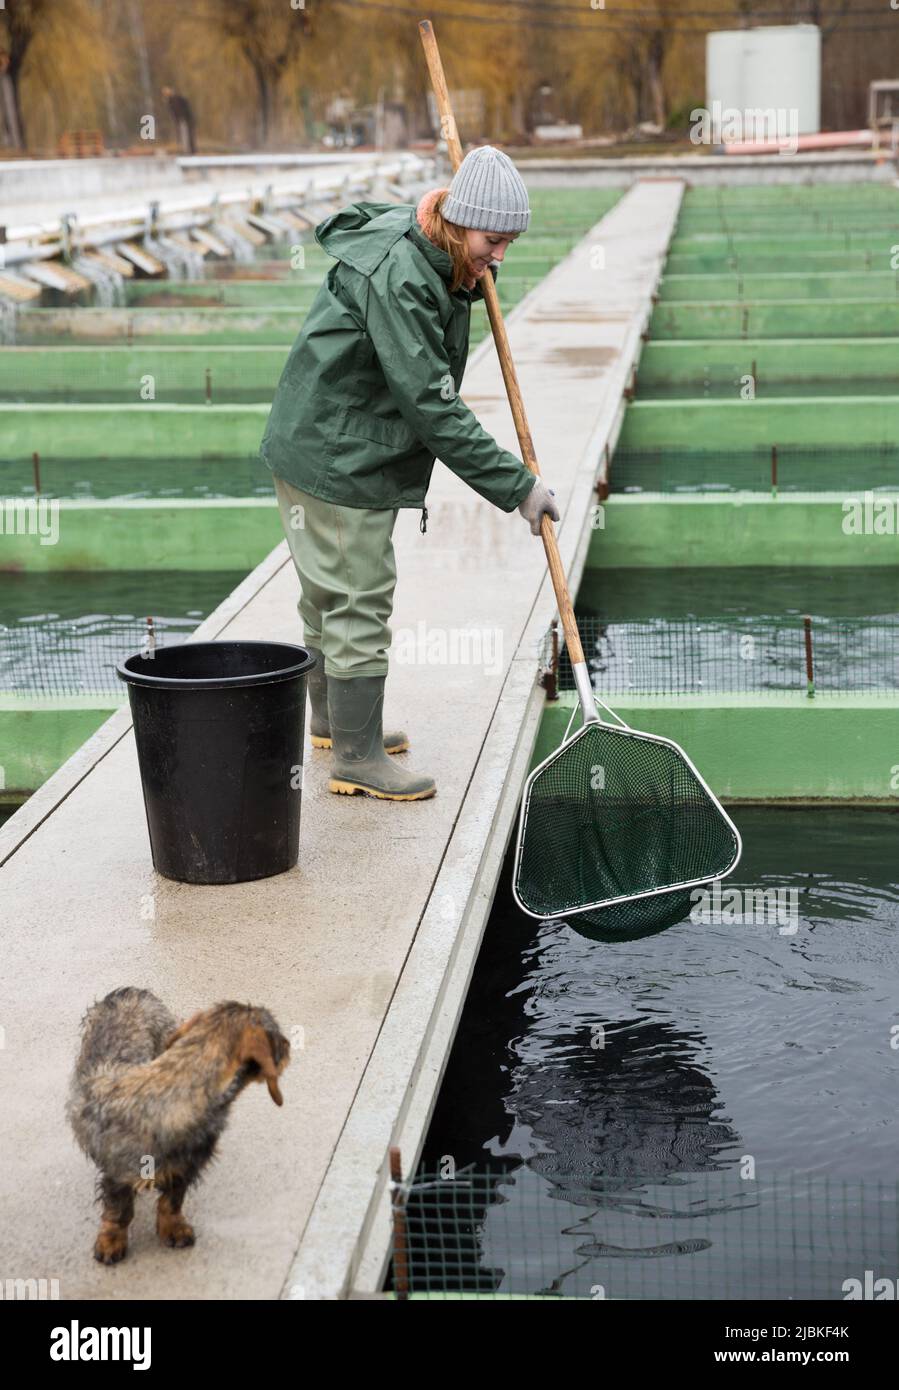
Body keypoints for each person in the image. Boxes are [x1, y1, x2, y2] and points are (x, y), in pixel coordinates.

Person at [259, 145, 560, 802]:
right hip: (338, 460)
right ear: (456, 221)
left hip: (313, 441)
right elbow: (432, 406)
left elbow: (439, 320)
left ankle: (331, 725)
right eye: (492, 240)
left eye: (508, 244)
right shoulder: (401, 276)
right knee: (358, 600)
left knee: (325, 594)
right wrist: (517, 487)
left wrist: (471, 272)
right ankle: (358, 759)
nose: (499, 257)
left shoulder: (427, 241)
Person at [162, 86, 196, 155]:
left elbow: (181, 110)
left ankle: (188, 151)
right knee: (184, 136)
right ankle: (187, 150)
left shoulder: (176, 99)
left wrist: (181, 119)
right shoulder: (171, 100)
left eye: (166, 92)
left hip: (184, 120)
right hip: (182, 120)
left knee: (186, 135)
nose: (166, 94)